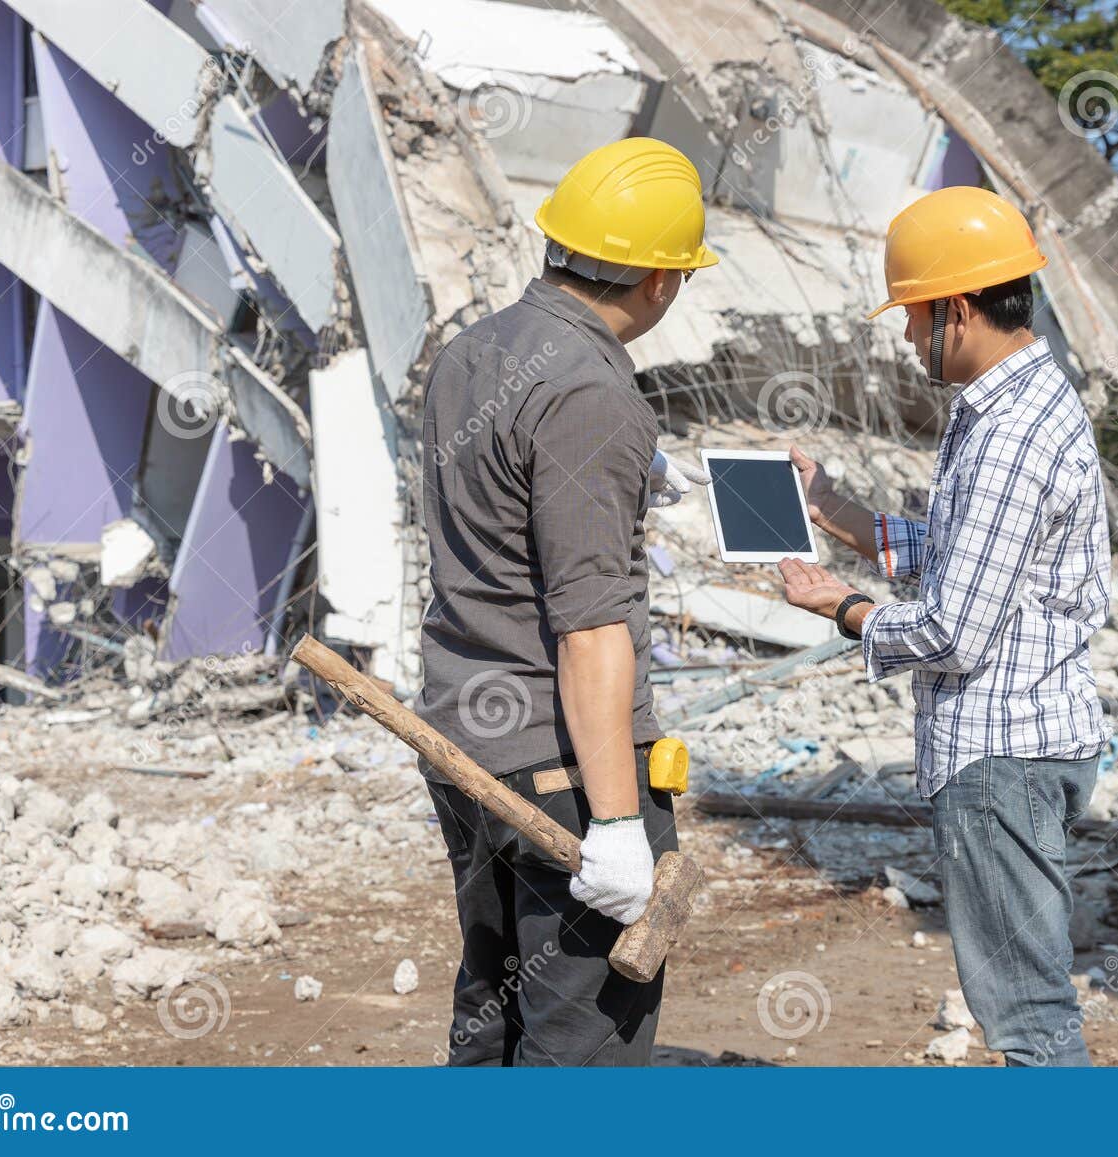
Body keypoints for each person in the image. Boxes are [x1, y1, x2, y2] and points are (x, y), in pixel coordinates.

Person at [778, 186, 1112, 1066]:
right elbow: (978, 551)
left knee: (1029, 1018)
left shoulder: (1007, 438)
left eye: (911, 313)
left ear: (955, 311)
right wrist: (841, 511)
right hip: (1029, 739)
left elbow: (955, 632)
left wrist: (841, 608)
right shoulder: (1023, 403)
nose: (902, 334)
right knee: (1027, 1000)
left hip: (1003, 754)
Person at [415, 137, 716, 1066]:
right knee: (579, 1040)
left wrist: (620, 475)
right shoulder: (592, 387)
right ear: (662, 282)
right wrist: (621, 826)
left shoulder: (474, 351)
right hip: (564, 767)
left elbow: (500, 503)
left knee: (492, 1011)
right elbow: (590, 628)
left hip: (467, 743)